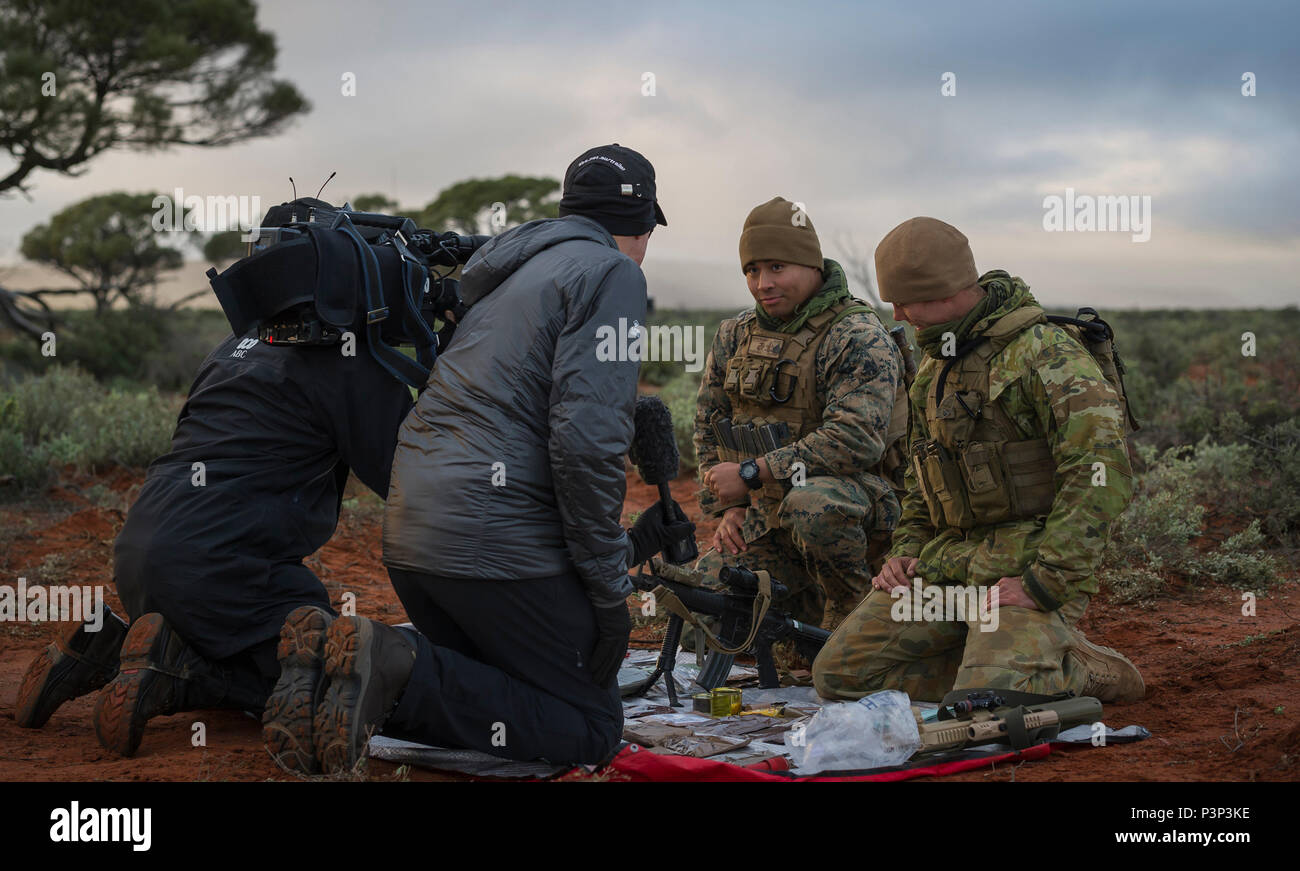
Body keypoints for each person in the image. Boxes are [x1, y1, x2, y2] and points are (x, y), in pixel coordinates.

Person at [266, 143, 693, 772]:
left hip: (417, 539)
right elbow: (584, 445)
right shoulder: (611, 273)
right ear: (642, 227)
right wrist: (608, 590)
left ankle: (353, 674)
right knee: (590, 727)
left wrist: (628, 548)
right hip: (493, 546)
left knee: (497, 688)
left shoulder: (503, 275)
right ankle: (393, 662)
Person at [15, 328, 414, 760]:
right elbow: (414, 483)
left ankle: (105, 646)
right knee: (328, 674)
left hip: (140, 558)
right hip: (224, 572)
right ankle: (175, 677)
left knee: (241, 631)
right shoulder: (352, 362)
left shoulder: (234, 346)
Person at [812, 216, 1145, 702]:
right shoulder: (936, 365)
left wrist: (1045, 584)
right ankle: (984, 669)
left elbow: (1099, 478)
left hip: (1025, 571)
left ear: (947, 289)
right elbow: (922, 481)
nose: (900, 315)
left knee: (988, 700)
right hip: (948, 568)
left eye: (908, 301)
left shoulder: (1048, 357)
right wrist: (905, 551)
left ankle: (1085, 670)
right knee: (840, 677)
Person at [692, 197, 908, 631]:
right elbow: (708, 425)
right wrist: (729, 507)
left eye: (776, 267)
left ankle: (851, 614)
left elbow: (855, 439)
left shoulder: (855, 334)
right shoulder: (735, 335)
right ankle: (802, 605)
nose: (762, 283)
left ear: (812, 265)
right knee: (702, 606)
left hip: (860, 511)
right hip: (771, 515)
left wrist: (751, 473)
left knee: (815, 502)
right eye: (751, 271)